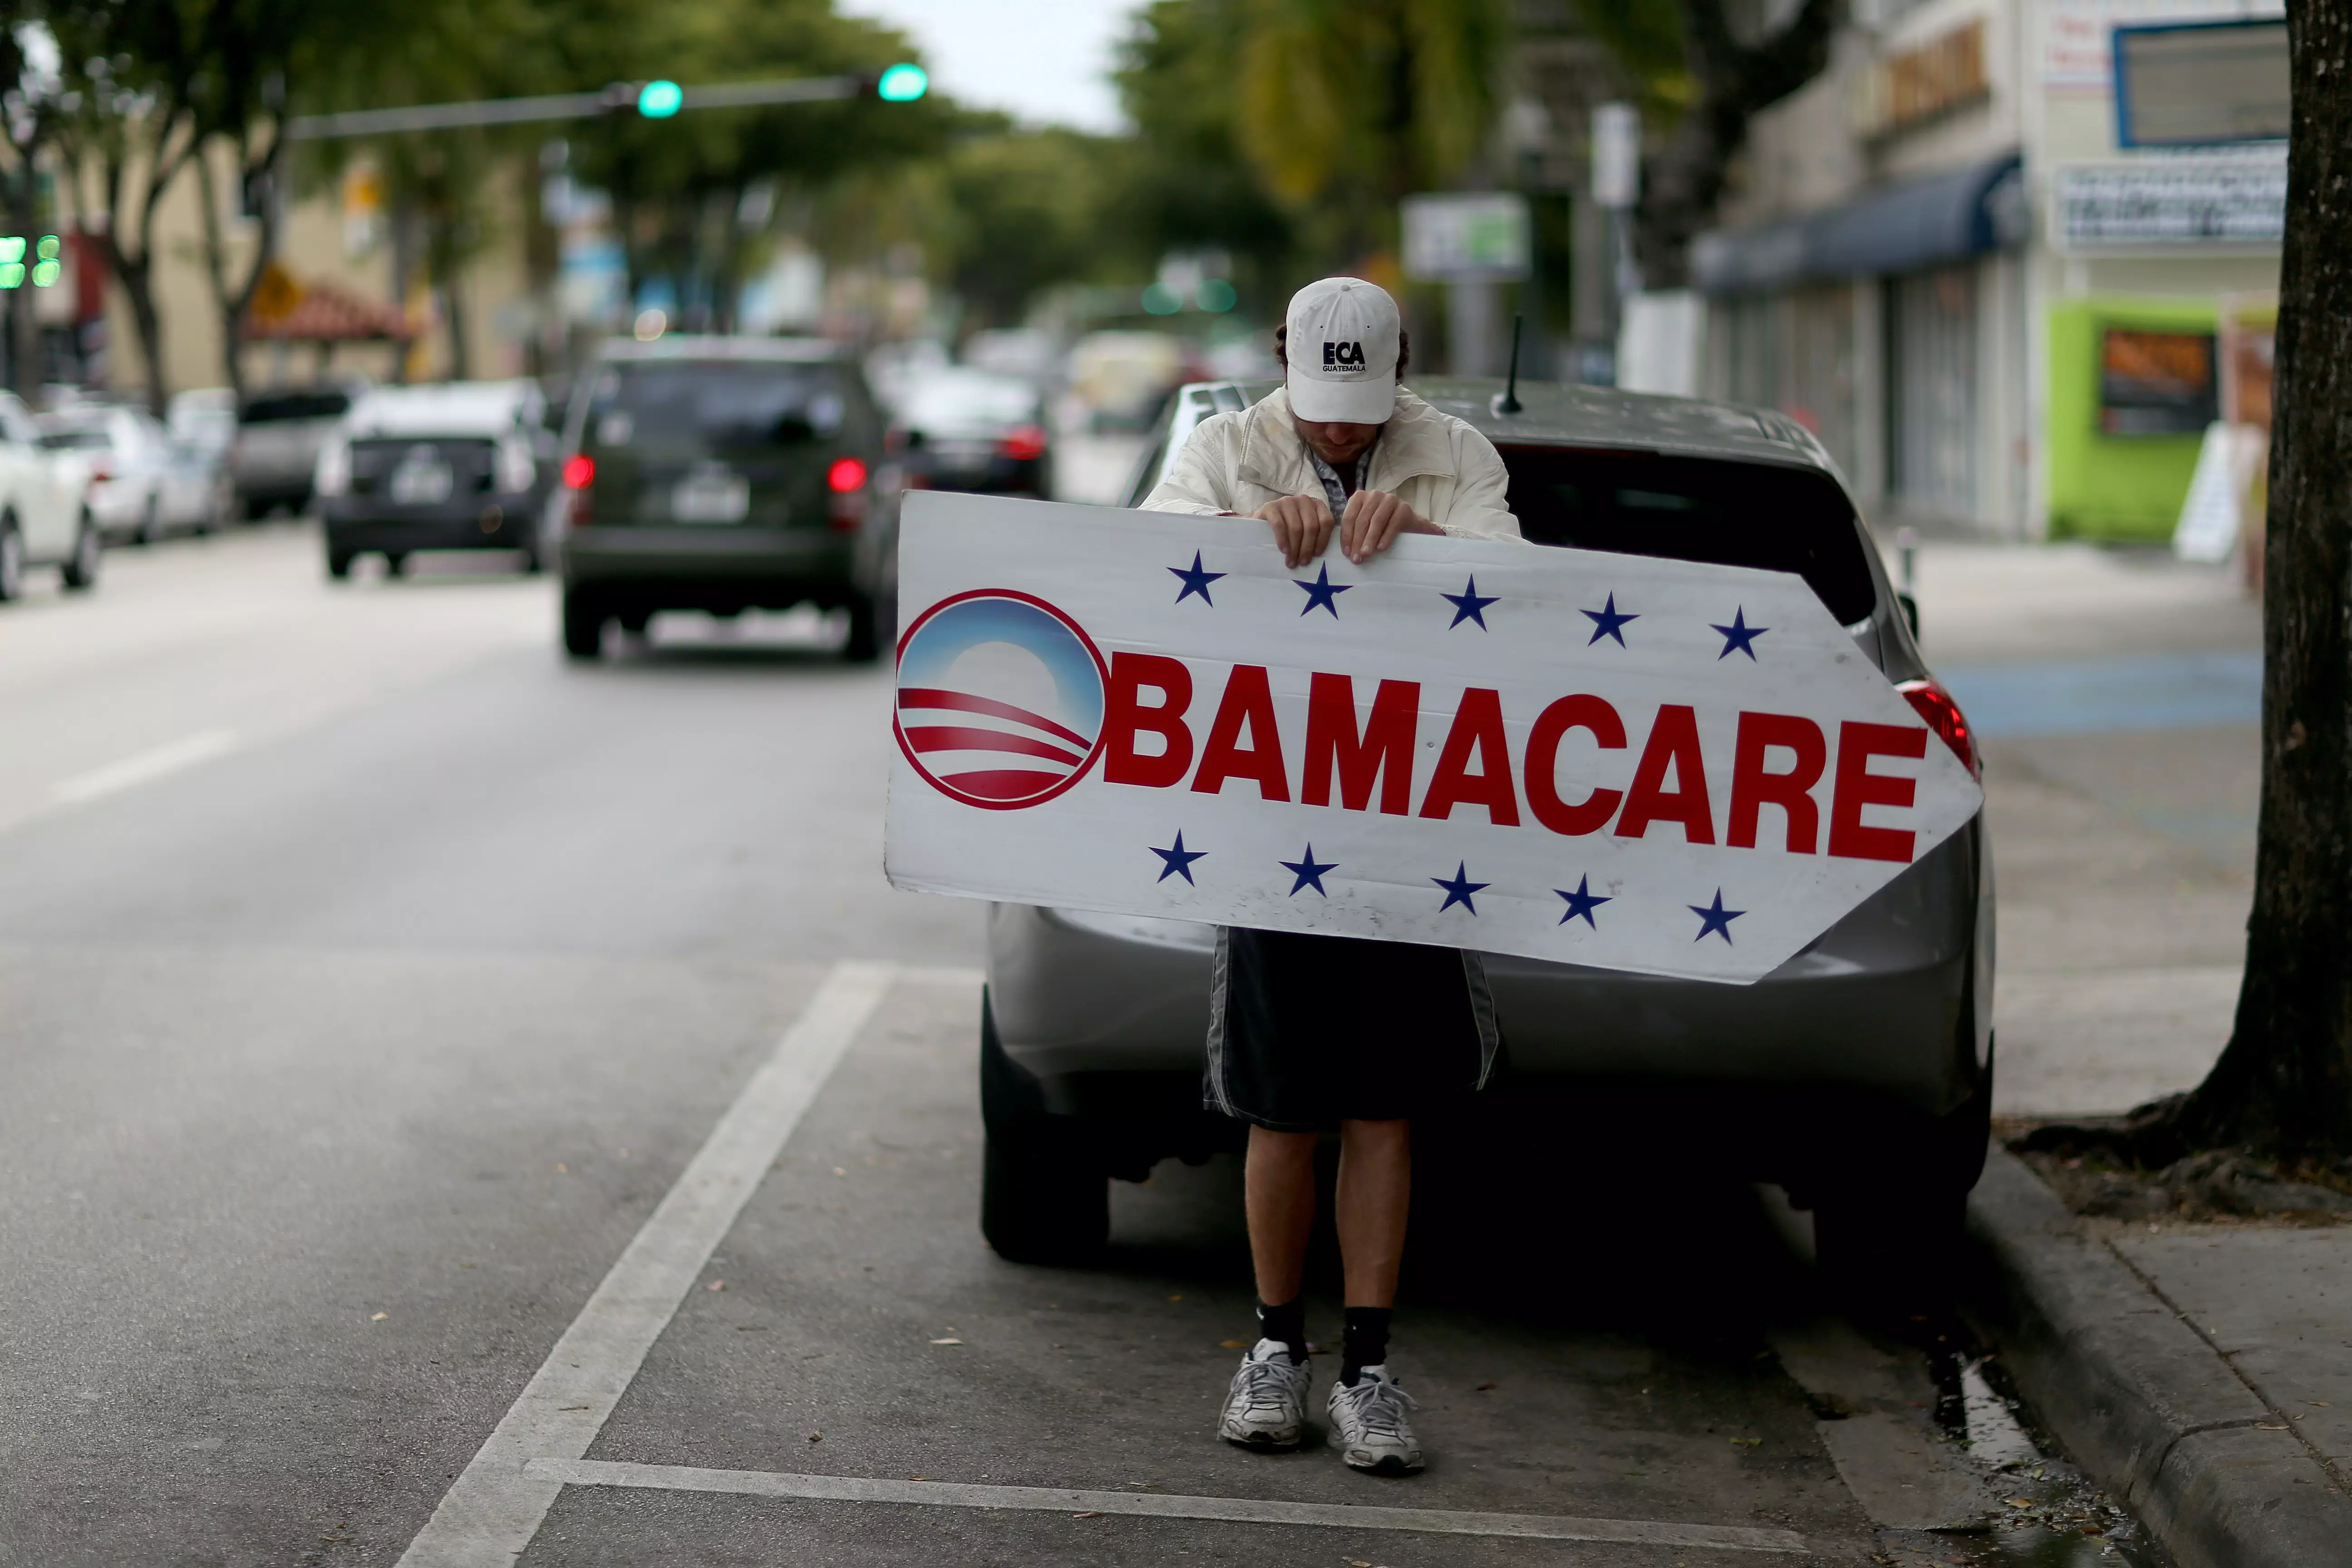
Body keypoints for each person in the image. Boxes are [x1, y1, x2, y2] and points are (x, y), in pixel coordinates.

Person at [1140, 277, 1522, 1475]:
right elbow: (1142, 555)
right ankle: (1271, 1353)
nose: (1341, 433)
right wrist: (1250, 540)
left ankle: (1369, 1370)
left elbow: (1522, 579)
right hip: (1272, 828)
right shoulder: (1227, 448)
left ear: (1400, 367)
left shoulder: (1454, 454)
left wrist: (1426, 543)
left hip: (1407, 828)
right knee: (1284, 1106)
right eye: (1322, 406)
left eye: (1361, 407)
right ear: (1284, 369)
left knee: (1383, 1107)